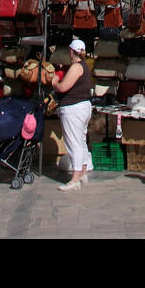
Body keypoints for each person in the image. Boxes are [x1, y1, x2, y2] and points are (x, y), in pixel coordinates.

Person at [50, 37, 94, 192]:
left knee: (73, 142)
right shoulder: (85, 66)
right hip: (83, 107)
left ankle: (75, 179)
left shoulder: (76, 67)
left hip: (73, 108)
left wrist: (54, 82)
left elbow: (63, 87)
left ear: (71, 52)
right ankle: (82, 172)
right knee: (80, 140)